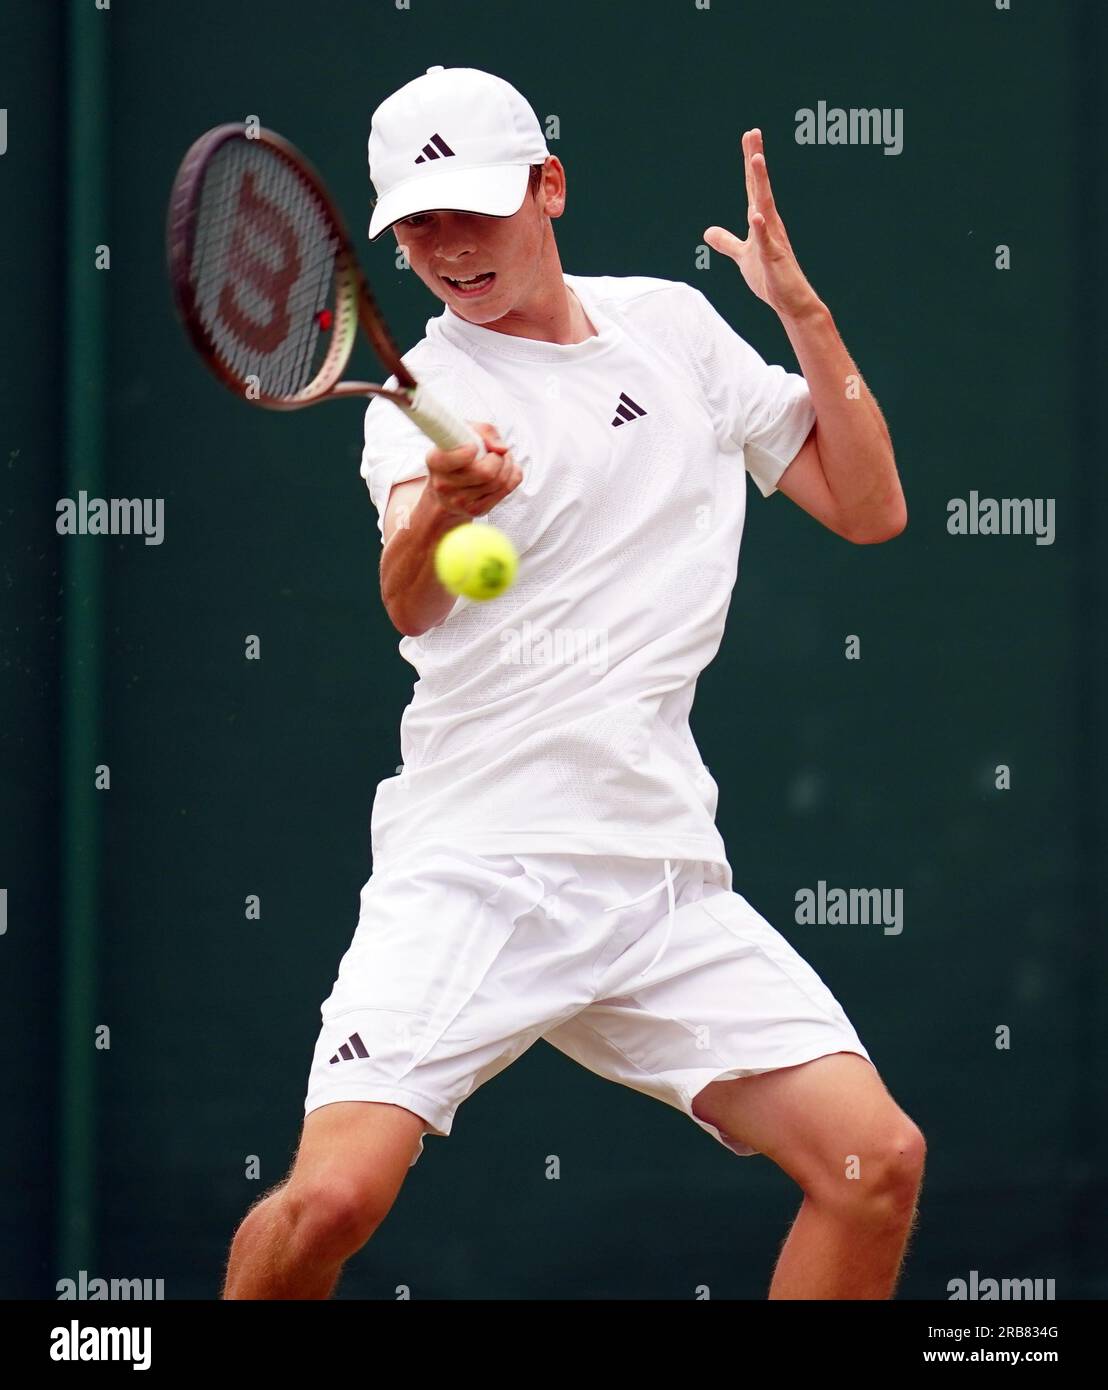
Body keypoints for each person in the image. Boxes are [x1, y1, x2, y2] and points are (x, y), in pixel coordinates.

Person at [222, 65, 920, 1301]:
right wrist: (442, 506)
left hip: (654, 872)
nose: (449, 248)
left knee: (874, 1163)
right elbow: (410, 601)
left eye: (474, 210)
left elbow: (868, 509)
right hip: (473, 862)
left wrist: (803, 316)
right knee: (328, 1203)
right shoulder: (417, 403)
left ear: (547, 187)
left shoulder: (676, 330)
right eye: (418, 224)